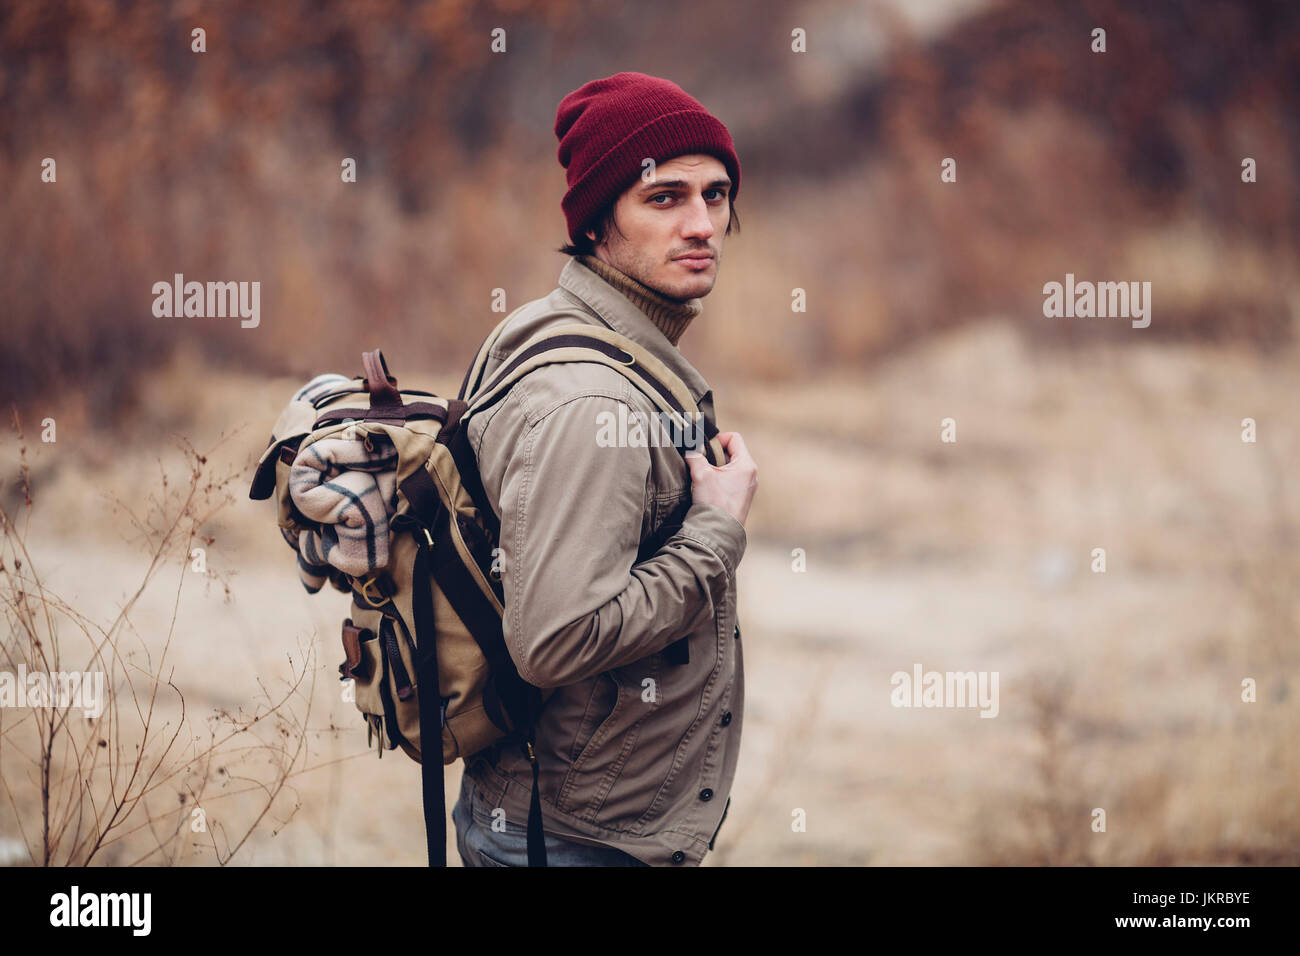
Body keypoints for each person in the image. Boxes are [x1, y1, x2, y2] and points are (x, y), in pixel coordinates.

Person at [453, 71, 758, 867]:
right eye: (664, 199)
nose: (701, 224)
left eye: (716, 195)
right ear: (597, 223)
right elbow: (556, 640)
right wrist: (715, 533)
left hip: (552, 821)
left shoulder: (550, 326)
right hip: (573, 841)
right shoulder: (592, 405)